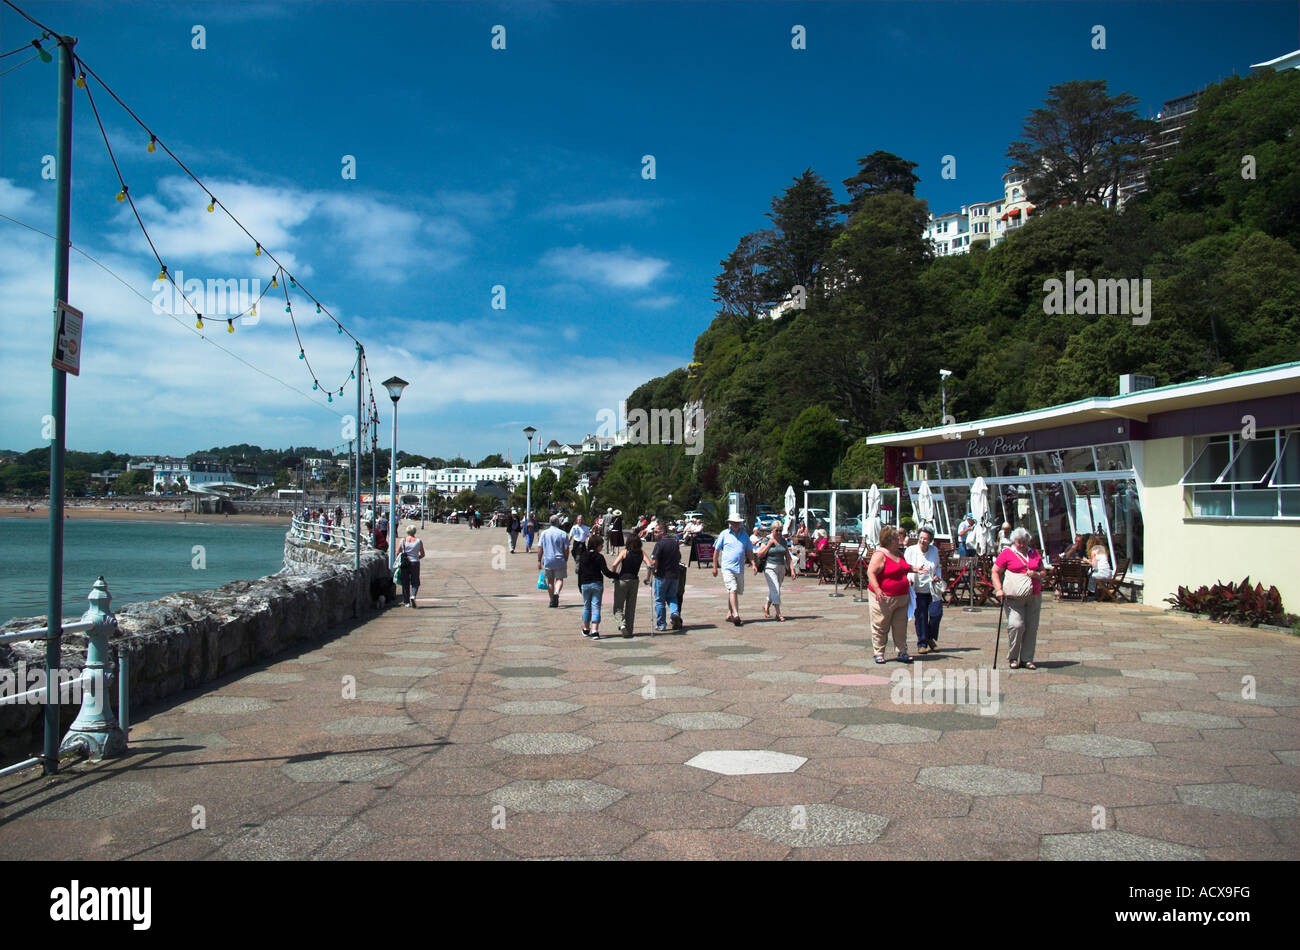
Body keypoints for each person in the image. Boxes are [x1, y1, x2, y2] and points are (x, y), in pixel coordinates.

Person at [992, 527, 1048, 669]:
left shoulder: (1034, 553)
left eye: (1024, 542)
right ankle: (1013, 657)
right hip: (1014, 597)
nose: (1022, 545)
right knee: (1016, 625)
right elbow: (995, 571)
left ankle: (1027, 659)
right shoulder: (1007, 553)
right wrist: (998, 589)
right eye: (1019, 542)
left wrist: (1037, 574)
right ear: (1014, 541)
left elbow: (1043, 571)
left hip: (1034, 595)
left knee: (1031, 628)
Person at [867, 525, 913, 664]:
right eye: (895, 537)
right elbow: (871, 572)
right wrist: (878, 589)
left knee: (901, 626)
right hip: (884, 597)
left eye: (898, 537)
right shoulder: (880, 554)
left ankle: (902, 652)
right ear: (888, 540)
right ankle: (879, 652)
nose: (898, 539)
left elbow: (904, 568)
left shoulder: (899, 553)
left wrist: (913, 571)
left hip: (902, 597)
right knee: (881, 625)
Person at [905, 527, 943, 653]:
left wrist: (938, 576)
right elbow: (907, 568)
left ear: (930, 540)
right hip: (918, 589)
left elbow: (937, 566)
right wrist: (910, 578)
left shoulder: (934, 550)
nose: (922, 541)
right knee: (920, 616)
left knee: (936, 614)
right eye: (921, 538)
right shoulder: (911, 551)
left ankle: (930, 638)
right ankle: (922, 643)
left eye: (925, 539)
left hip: (932, 589)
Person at [712, 517, 754, 626]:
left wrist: (753, 563)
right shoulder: (724, 534)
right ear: (730, 523)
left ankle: (729, 613)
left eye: (738, 522)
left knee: (734, 591)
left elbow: (749, 551)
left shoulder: (744, 535)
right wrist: (715, 566)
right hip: (727, 568)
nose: (735, 524)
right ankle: (736, 615)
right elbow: (716, 550)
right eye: (734, 522)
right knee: (733, 589)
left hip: (739, 568)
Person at [577, 534, 618, 639]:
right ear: (596, 545)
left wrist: (579, 585)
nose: (602, 547)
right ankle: (595, 630)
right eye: (601, 545)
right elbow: (606, 572)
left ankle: (586, 629)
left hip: (585, 584)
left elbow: (580, 572)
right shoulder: (599, 557)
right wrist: (617, 575)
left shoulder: (583, 556)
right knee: (596, 607)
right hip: (597, 584)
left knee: (586, 607)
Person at [755, 522, 795, 621]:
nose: (778, 532)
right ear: (772, 530)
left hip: (781, 567)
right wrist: (769, 545)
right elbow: (759, 554)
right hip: (770, 567)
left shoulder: (783, 541)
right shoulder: (767, 539)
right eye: (776, 530)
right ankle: (778, 613)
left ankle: (766, 607)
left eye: (780, 530)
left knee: (774, 590)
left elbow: (788, 556)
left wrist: (792, 569)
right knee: (776, 589)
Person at [647, 522, 683, 631]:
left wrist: (652, 571)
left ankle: (661, 624)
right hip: (675, 575)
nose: (654, 534)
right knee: (672, 597)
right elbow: (679, 557)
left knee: (660, 600)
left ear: (663, 532)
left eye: (656, 532)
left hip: (662, 575)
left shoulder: (659, 544)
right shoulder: (675, 543)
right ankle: (674, 613)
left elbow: (654, 561)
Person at [609, 534, 645, 637]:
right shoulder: (641, 553)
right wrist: (647, 577)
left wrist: (614, 575)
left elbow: (614, 564)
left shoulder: (625, 552)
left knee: (618, 606)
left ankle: (621, 624)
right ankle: (629, 630)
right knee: (631, 607)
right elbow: (649, 564)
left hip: (622, 580)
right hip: (634, 580)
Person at [537, 514, 570, 607]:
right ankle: (556, 593)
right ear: (558, 522)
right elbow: (566, 548)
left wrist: (539, 560)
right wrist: (566, 559)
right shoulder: (563, 533)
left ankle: (552, 600)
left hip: (548, 559)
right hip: (560, 559)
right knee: (559, 579)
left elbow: (540, 547)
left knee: (550, 581)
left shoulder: (544, 533)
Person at [398, 525, 426, 608]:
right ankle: (413, 595)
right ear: (415, 532)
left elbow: (397, 552)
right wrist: (417, 558)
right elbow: (423, 554)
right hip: (415, 563)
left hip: (405, 564)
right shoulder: (418, 541)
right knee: (415, 581)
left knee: (405, 582)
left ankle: (406, 602)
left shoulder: (403, 540)